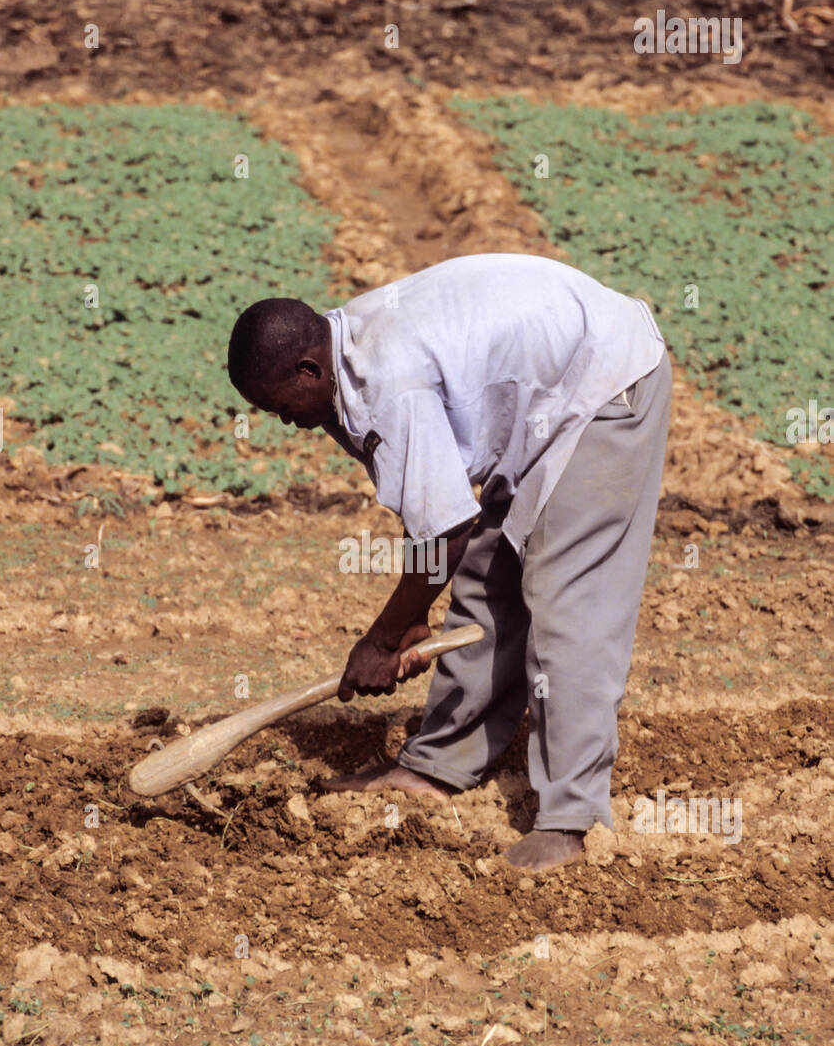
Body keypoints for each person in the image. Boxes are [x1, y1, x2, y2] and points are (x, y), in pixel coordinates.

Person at [227, 254, 671, 871]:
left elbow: (444, 533)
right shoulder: (342, 350)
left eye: (281, 405)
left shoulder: (388, 382)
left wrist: (382, 639)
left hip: (603, 384)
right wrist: (412, 616)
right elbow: (442, 527)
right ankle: (440, 765)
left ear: (307, 367)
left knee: (569, 603)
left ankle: (572, 820)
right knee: (491, 574)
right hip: (544, 400)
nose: (287, 423)